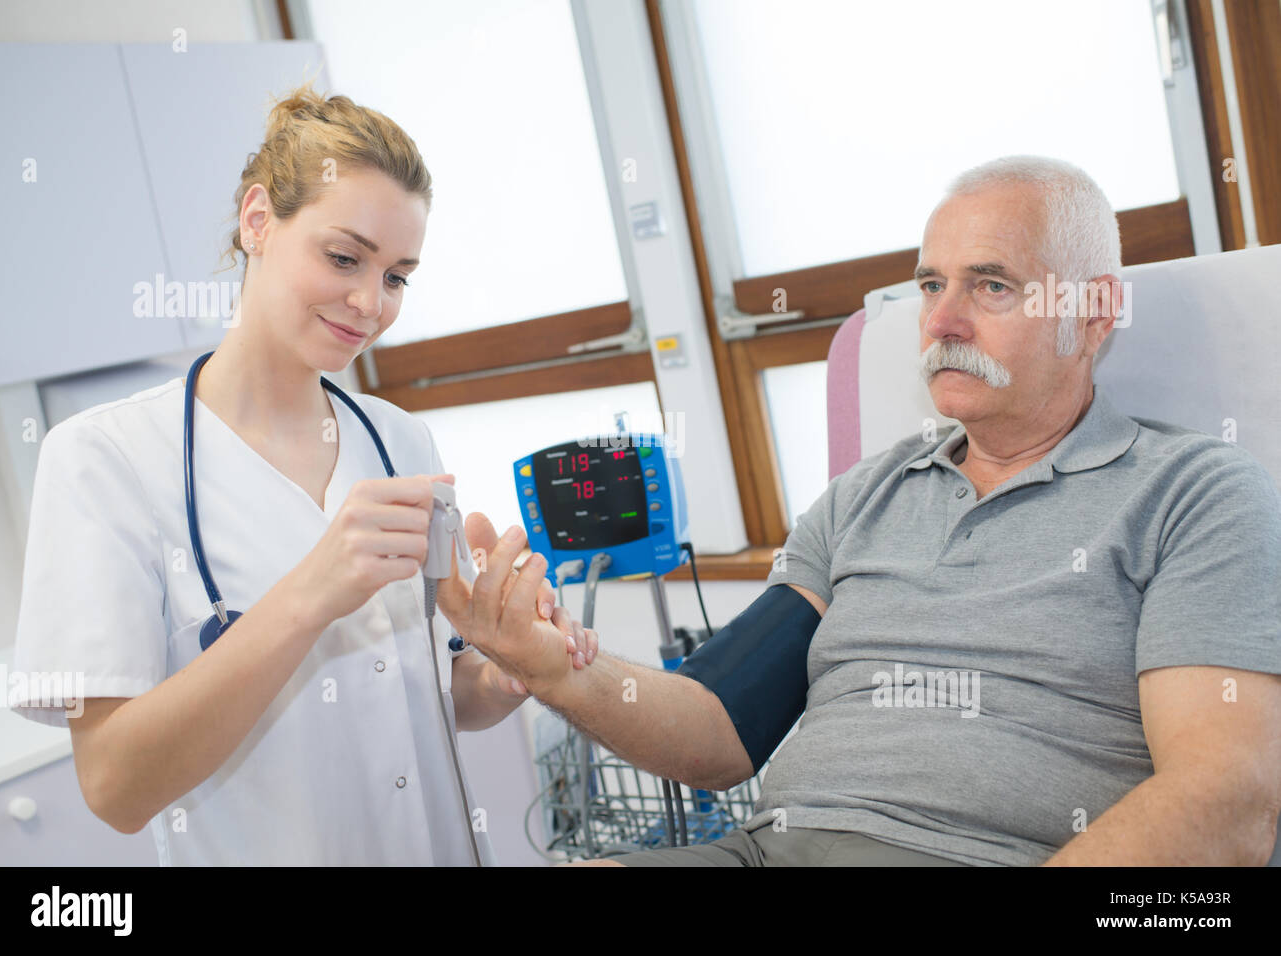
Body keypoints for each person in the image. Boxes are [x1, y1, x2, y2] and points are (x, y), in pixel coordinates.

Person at [439, 156, 1281, 866]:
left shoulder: (1195, 495)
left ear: (1093, 312)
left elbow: (1228, 800)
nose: (942, 322)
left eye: (991, 285)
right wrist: (555, 668)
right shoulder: (864, 497)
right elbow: (717, 730)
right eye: (930, 284)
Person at [10, 85, 593, 866]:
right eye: (344, 257)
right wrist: (310, 593)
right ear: (258, 221)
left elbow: (432, 691)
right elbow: (116, 787)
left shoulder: (399, 441)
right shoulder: (105, 461)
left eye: (397, 276)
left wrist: (510, 673)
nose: (368, 302)